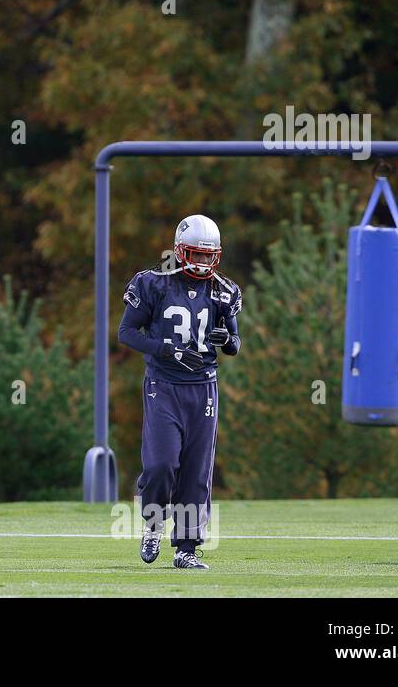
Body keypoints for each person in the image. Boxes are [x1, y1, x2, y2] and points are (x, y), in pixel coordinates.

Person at [117, 214, 242, 570]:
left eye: (209, 255)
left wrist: (227, 340)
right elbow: (127, 332)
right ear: (178, 250)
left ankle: (187, 548)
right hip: (164, 384)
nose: (203, 262)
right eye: (195, 254)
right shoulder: (154, 284)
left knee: (196, 471)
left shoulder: (223, 290)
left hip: (203, 388)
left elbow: (234, 342)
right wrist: (165, 349)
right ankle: (153, 524)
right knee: (161, 464)